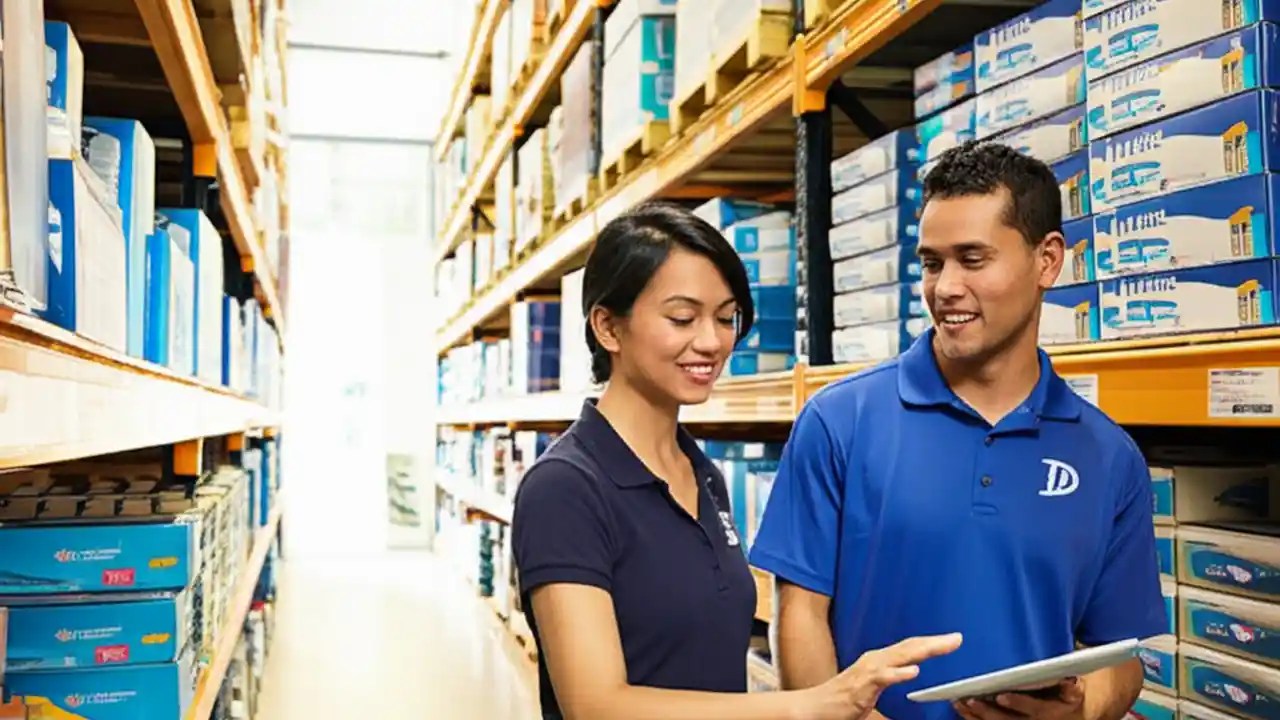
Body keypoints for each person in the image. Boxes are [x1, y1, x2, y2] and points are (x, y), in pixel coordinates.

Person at [749, 143, 1167, 720]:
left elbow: (1121, 652)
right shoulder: (838, 421)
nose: (944, 287)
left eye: (973, 259)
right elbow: (799, 613)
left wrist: (1083, 707)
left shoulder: (1109, 457)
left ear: (1048, 261)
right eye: (932, 262)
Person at [512, 201, 963, 720]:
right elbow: (596, 705)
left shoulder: (701, 475)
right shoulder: (565, 488)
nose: (710, 341)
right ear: (608, 328)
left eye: (726, 318)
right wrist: (810, 706)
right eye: (682, 317)